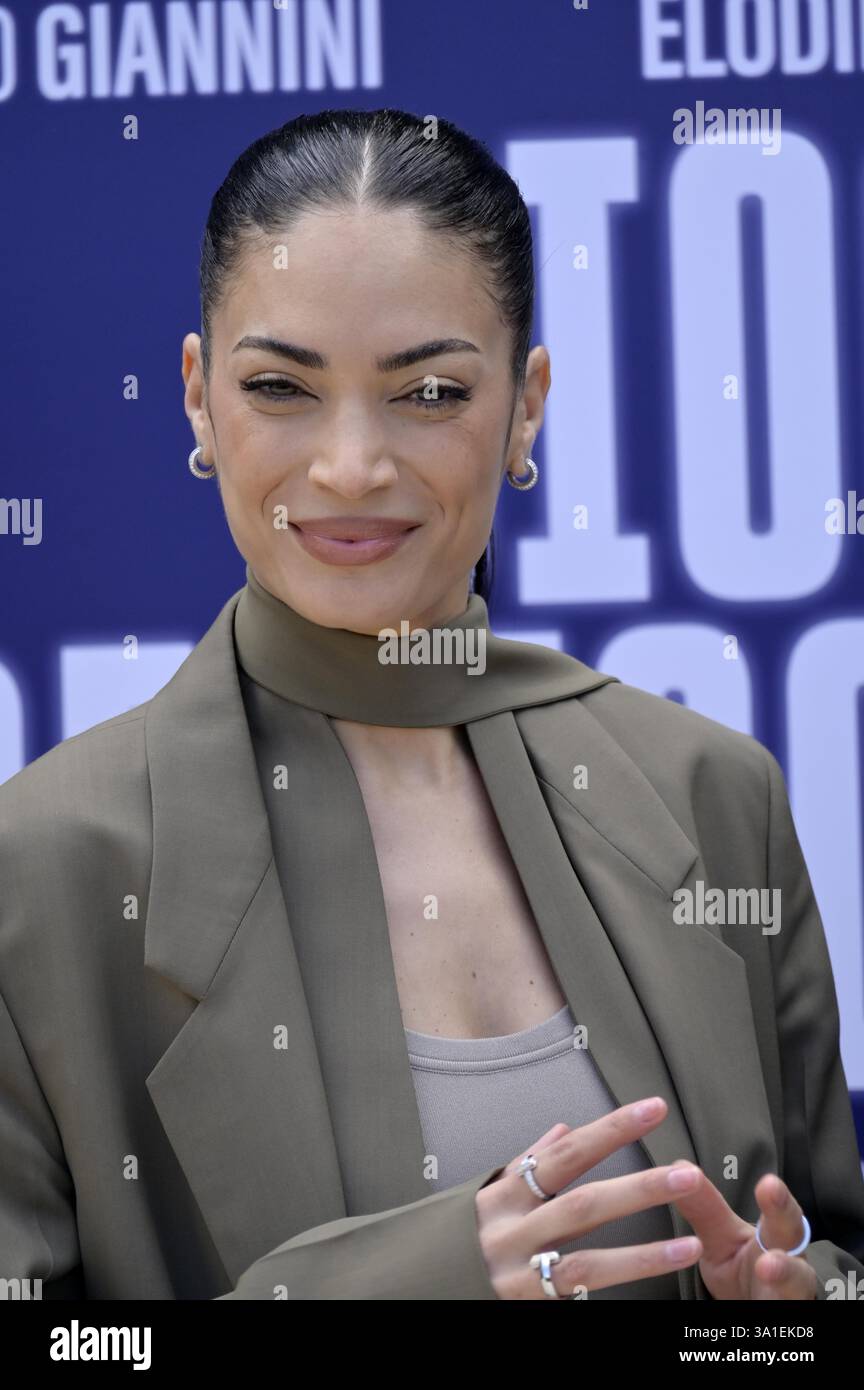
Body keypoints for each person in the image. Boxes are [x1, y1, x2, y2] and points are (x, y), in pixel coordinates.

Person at [1, 108, 863, 1302]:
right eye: (279, 387)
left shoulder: (714, 793)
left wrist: (786, 1310)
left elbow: (839, 1250)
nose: (351, 467)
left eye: (431, 392)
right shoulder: (41, 867)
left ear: (528, 406)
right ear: (198, 396)